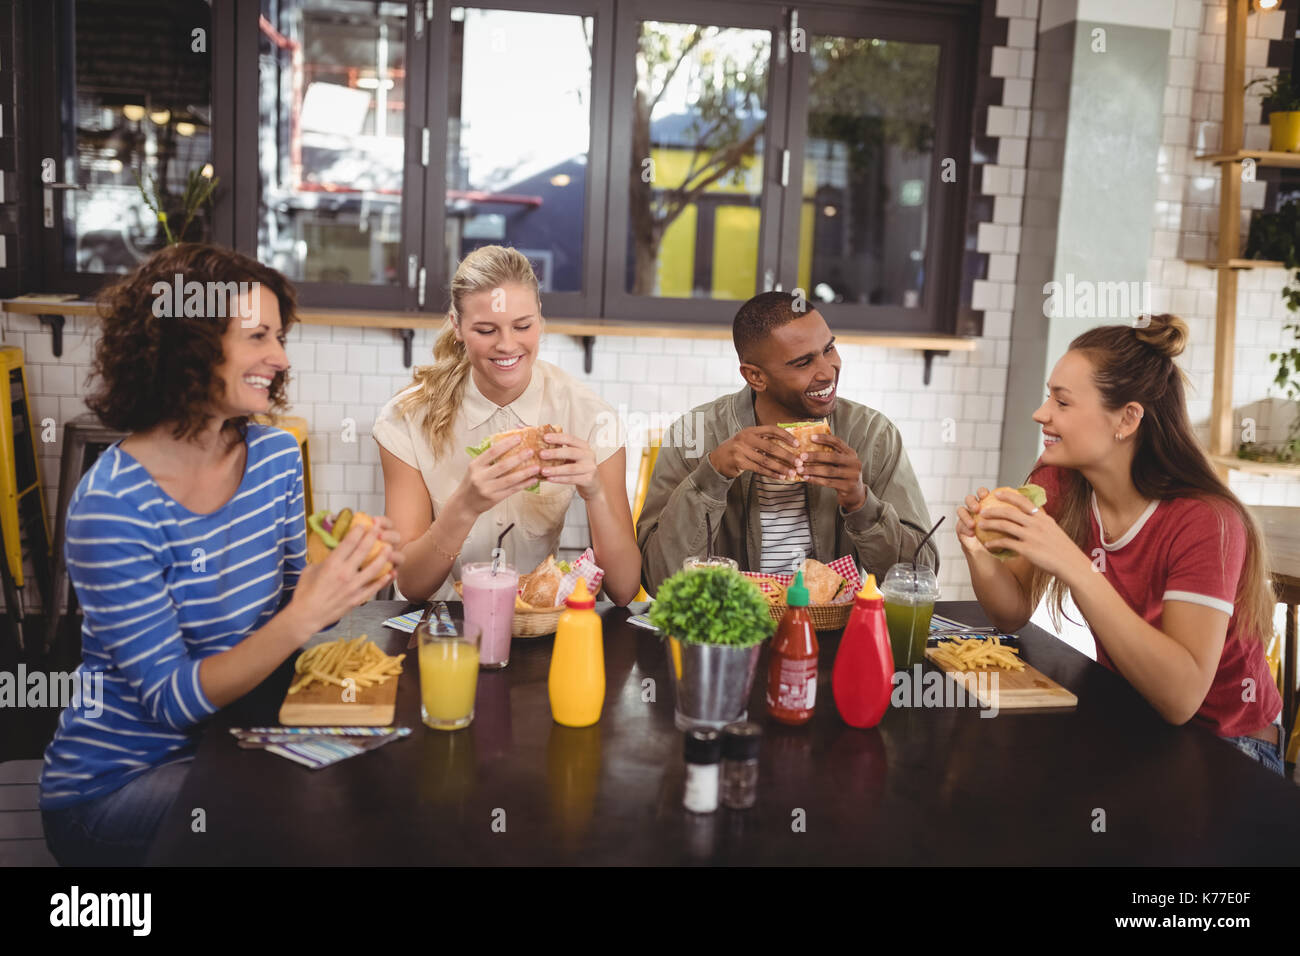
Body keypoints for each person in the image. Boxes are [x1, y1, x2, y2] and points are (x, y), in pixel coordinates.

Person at [39, 244, 403, 865]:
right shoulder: (114, 504)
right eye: (258, 336)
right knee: (309, 819)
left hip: (228, 741)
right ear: (189, 341)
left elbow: (293, 609)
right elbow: (173, 698)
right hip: (117, 786)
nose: (280, 358)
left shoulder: (274, 458)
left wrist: (348, 577)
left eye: (280, 337)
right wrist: (304, 614)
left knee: (381, 789)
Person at [957, 314, 1285, 774]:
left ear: (1127, 419)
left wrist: (1073, 565)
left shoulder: (1206, 521)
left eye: (1062, 402)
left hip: (1229, 749)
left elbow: (1181, 699)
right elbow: (1010, 613)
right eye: (1049, 395)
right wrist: (979, 552)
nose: (1042, 413)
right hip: (1136, 719)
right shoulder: (1059, 478)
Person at [374, 244, 640, 605]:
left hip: (540, 623)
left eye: (523, 326)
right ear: (457, 326)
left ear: (541, 320)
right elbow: (410, 584)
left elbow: (624, 590)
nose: (507, 345)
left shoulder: (590, 417)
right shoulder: (405, 419)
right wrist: (465, 505)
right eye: (485, 330)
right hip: (444, 625)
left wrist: (595, 492)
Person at [638, 290, 938, 592]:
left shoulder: (872, 435)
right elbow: (659, 579)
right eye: (803, 362)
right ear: (755, 376)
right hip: (730, 631)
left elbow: (919, 577)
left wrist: (860, 502)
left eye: (829, 349)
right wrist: (713, 475)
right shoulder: (695, 434)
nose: (826, 372)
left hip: (830, 631)